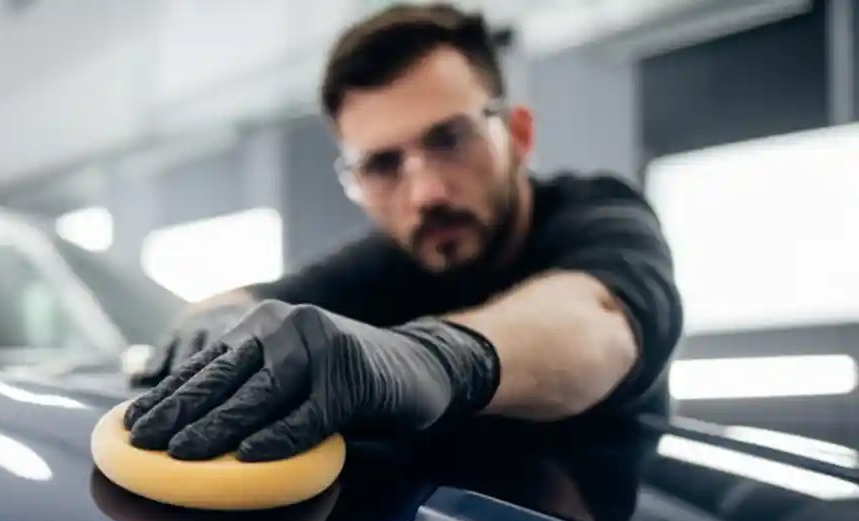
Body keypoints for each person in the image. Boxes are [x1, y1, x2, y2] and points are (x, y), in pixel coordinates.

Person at [123, 3, 683, 462]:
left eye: (450, 139)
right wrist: (212, 324)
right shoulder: (398, 257)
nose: (426, 194)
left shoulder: (599, 214)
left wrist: (429, 357)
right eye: (382, 165)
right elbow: (271, 299)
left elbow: (596, 322)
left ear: (517, 134)